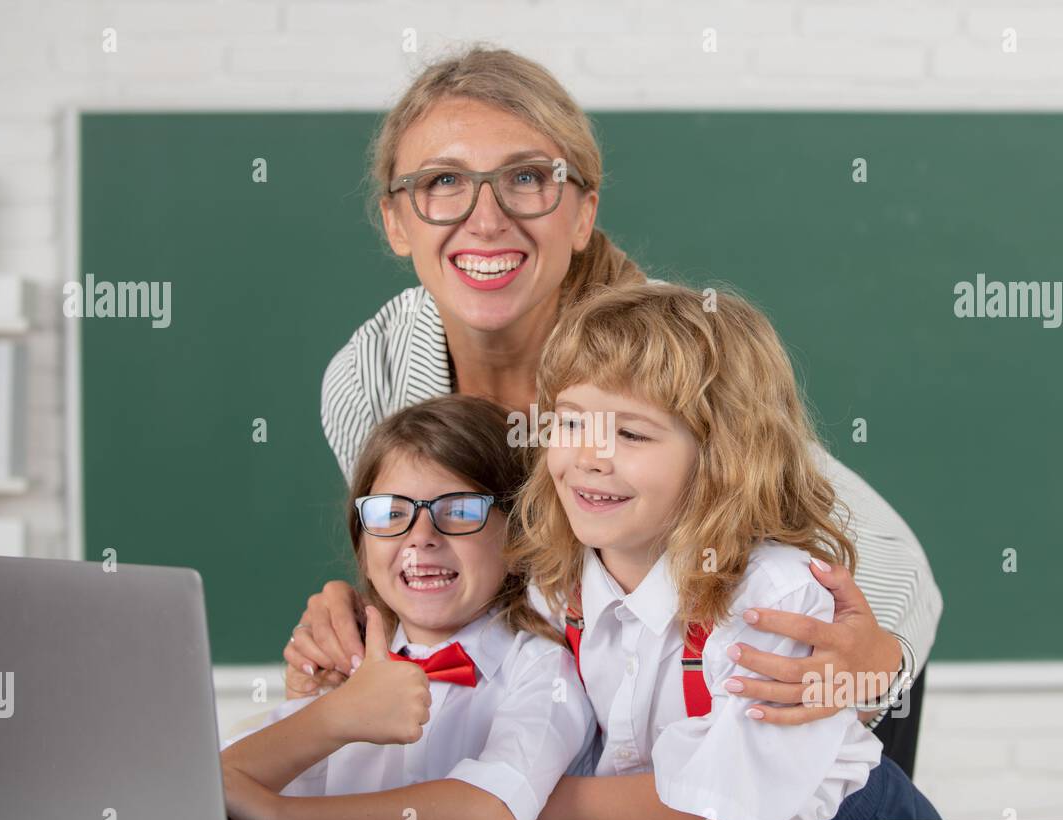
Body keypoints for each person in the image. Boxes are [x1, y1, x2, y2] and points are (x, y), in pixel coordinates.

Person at [285, 43, 942, 777]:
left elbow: (889, 565)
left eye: (527, 179)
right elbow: (445, 557)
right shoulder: (369, 375)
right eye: (443, 182)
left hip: (753, 712)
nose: (486, 218)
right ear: (398, 221)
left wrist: (873, 665)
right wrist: (363, 608)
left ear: (582, 213)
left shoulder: (663, 352)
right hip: (577, 715)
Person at [512, 281, 941, 820]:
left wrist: (518, 800)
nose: (590, 457)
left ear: (724, 459)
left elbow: (714, 811)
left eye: (633, 433)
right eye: (570, 423)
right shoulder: (555, 587)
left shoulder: (773, 598)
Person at [220, 395, 594, 820]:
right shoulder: (346, 665)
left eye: (459, 510)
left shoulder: (542, 670)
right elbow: (219, 786)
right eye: (391, 512)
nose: (421, 538)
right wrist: (335, 716)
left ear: (519, 535)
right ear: (363, 542)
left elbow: (492, 812)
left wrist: (277, 813)